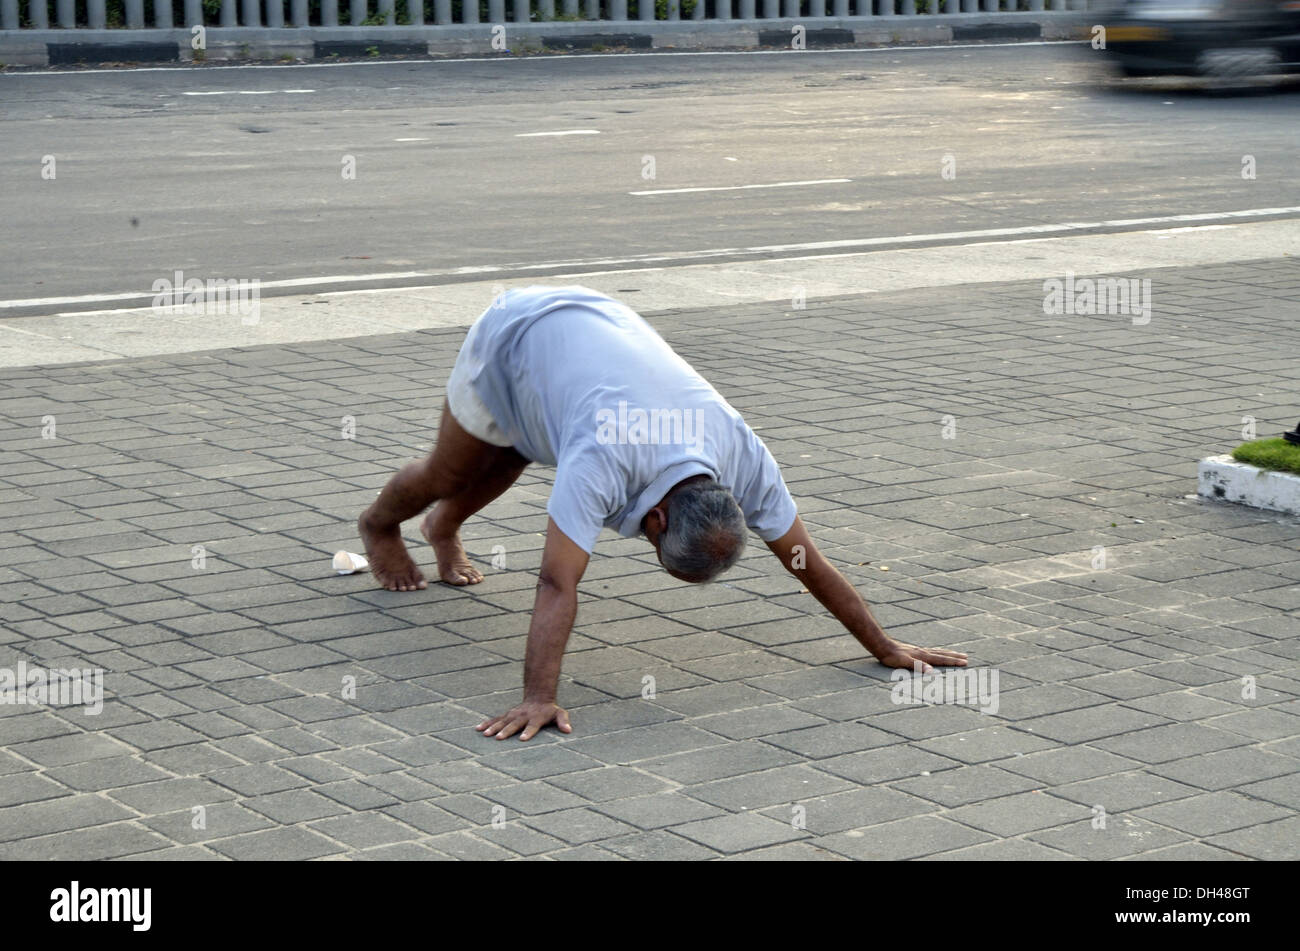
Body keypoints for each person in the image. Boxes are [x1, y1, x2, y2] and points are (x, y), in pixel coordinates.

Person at [357, 286, 967, 741]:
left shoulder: (742, 456)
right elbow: (555, 581)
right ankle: (381, 525)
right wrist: (539, 698)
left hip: (598, 340)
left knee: (517, 451)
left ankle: (446, 527)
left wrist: (884, 645)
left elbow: (807, 562)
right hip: (519, 332)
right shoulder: (603, 457)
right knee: (453, 469)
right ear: (655, 523)